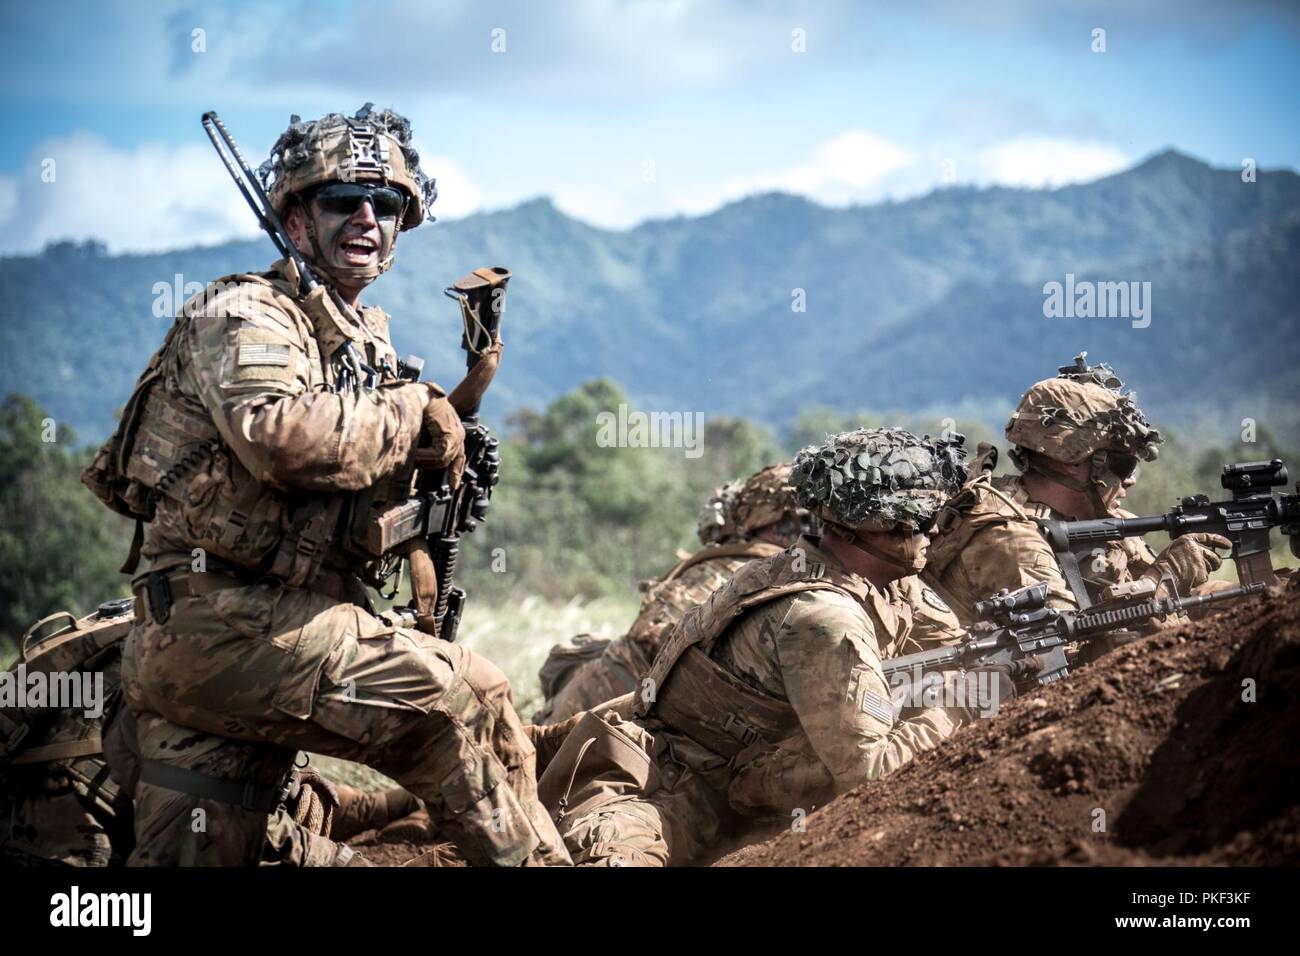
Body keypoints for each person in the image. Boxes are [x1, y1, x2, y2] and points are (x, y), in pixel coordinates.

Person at [83, 105, 566, 866]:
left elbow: (361, 474)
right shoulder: (245, 313)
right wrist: (414, 409)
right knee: (462, 702)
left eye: (388, 205)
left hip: (250, 635)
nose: (368, 218)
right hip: (226, 625)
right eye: (344, 200)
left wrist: (444, 445)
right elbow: (281, 440)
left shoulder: (360, 340)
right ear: (295, 219)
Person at [536, 428, 1003, 866]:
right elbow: (870, 773)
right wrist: (961, 705)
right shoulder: (823, 617)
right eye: (919, 519)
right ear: (868, 526)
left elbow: (957, 648)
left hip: (737, 791)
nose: (932, 532)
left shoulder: (877, 581)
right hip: (656, 791)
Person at [923, 354, 1229, 624]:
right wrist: (1158, 582)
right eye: (1123, 465)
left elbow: (1172, 596)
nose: (1130, 480)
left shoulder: (1094, 520)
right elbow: (1071, 648)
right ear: (1073, 462)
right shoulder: (1011, 540)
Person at [533, 463, 815, 724]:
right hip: (628, 716)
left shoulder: (709, 563)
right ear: (788, 522)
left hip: (586, 700)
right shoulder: (770, 577)